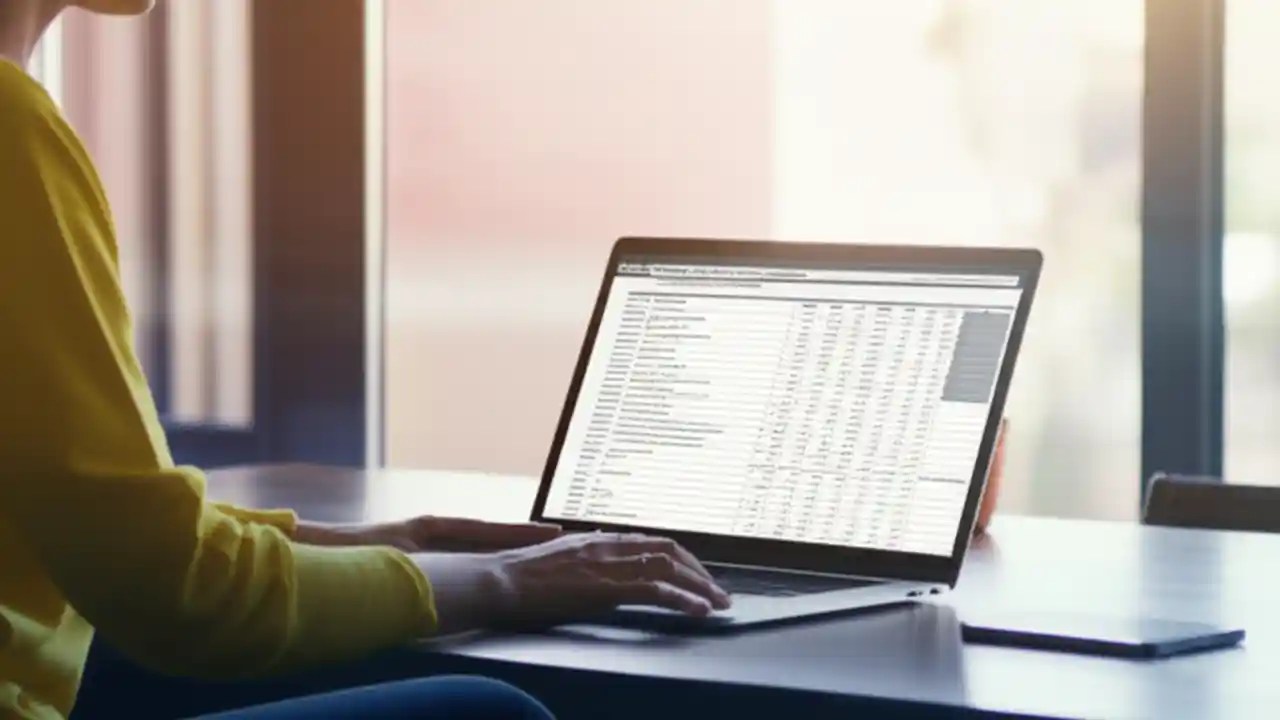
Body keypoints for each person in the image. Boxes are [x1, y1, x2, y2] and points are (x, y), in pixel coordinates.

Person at [0, 1, 731, 718]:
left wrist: (361, 545)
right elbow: (177, 594)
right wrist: (503, 580)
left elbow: (87, 523)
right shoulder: (13, 129)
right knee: (485, 715)